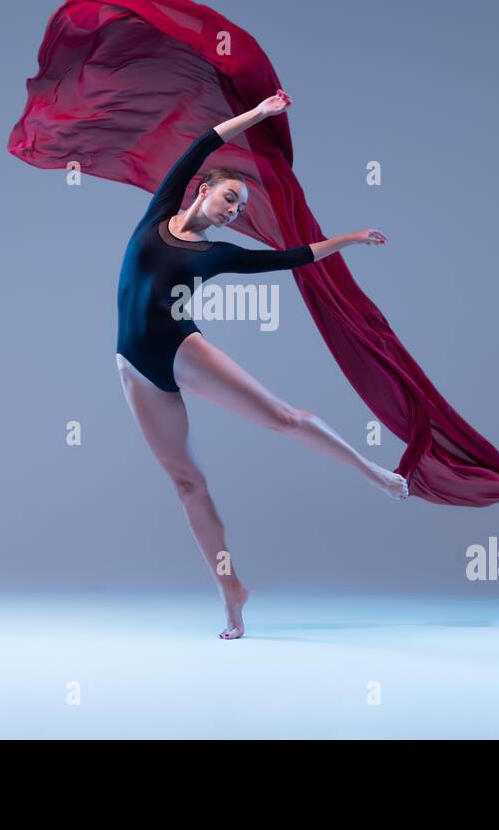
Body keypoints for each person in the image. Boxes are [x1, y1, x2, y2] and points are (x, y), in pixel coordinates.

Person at [115, 89, 408, 640]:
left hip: (180, 347)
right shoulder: (160, 209)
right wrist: (261, 114)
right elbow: (204, 143)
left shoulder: (219, 253)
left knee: (282, 418)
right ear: (203, 189)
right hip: (132, 363)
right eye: (229, 198)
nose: (232, 211)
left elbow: (289, 259)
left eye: (239, 210)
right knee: (187, 485)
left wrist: (347, 239)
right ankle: (231, 590)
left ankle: (371, 471)